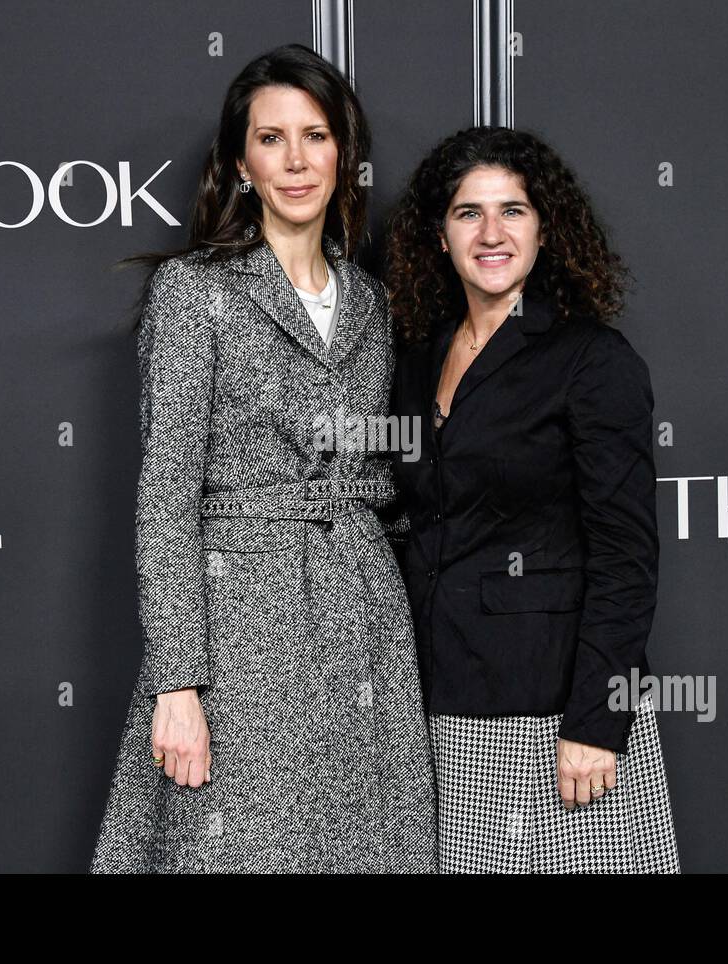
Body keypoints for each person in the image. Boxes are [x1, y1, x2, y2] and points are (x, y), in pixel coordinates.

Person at [89, 44, 437, 873]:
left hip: (360, 617)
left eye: (314, 136)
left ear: (344, 154)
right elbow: (166, 492)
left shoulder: (373, 302)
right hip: (237, 620)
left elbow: (375, 468)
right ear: (240, 161)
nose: (295, 160)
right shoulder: (194, 291)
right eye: (271, 138)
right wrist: (178, 684)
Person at [386, 125, 680, 873]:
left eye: (513, 211)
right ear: (440, 234)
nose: (492, 233)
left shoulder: (591, 360)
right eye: (468, 213)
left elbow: (626, 557)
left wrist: (598, 719)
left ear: (546, 229)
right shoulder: (419, 353)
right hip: (435, 697)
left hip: (552, 711)